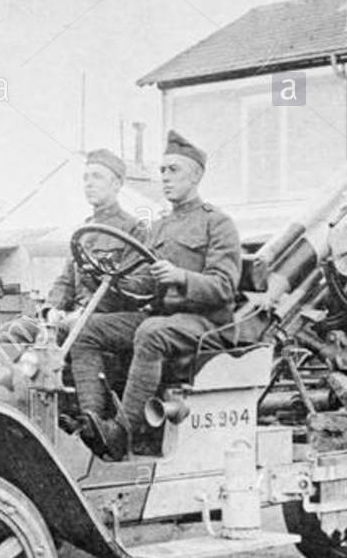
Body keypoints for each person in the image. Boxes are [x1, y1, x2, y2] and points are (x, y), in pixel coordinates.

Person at [72, 130, 241, 460]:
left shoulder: (218, 223)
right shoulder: (160, 227)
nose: (164, 177)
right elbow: (142, 283)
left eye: (173, 170)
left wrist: (181, 277)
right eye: (162, 170)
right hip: (163, 318)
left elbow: (224, 287)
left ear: (196, 175)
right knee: (86, 329)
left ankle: (123, 432)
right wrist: (111, 278)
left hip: (207, 324)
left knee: (150, 333)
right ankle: (93, 421)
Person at [45, 148, 143, 327]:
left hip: (107, 319)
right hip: (73, 316)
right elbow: (66, 280)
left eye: (97, 177)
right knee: (17, 330)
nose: (89, 184)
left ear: (116, 184)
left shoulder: (133, 230)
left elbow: (135, 290)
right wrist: (53, 308)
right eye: (86, 178)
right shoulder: (82, 232)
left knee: (80, 331)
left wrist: (82, 313)